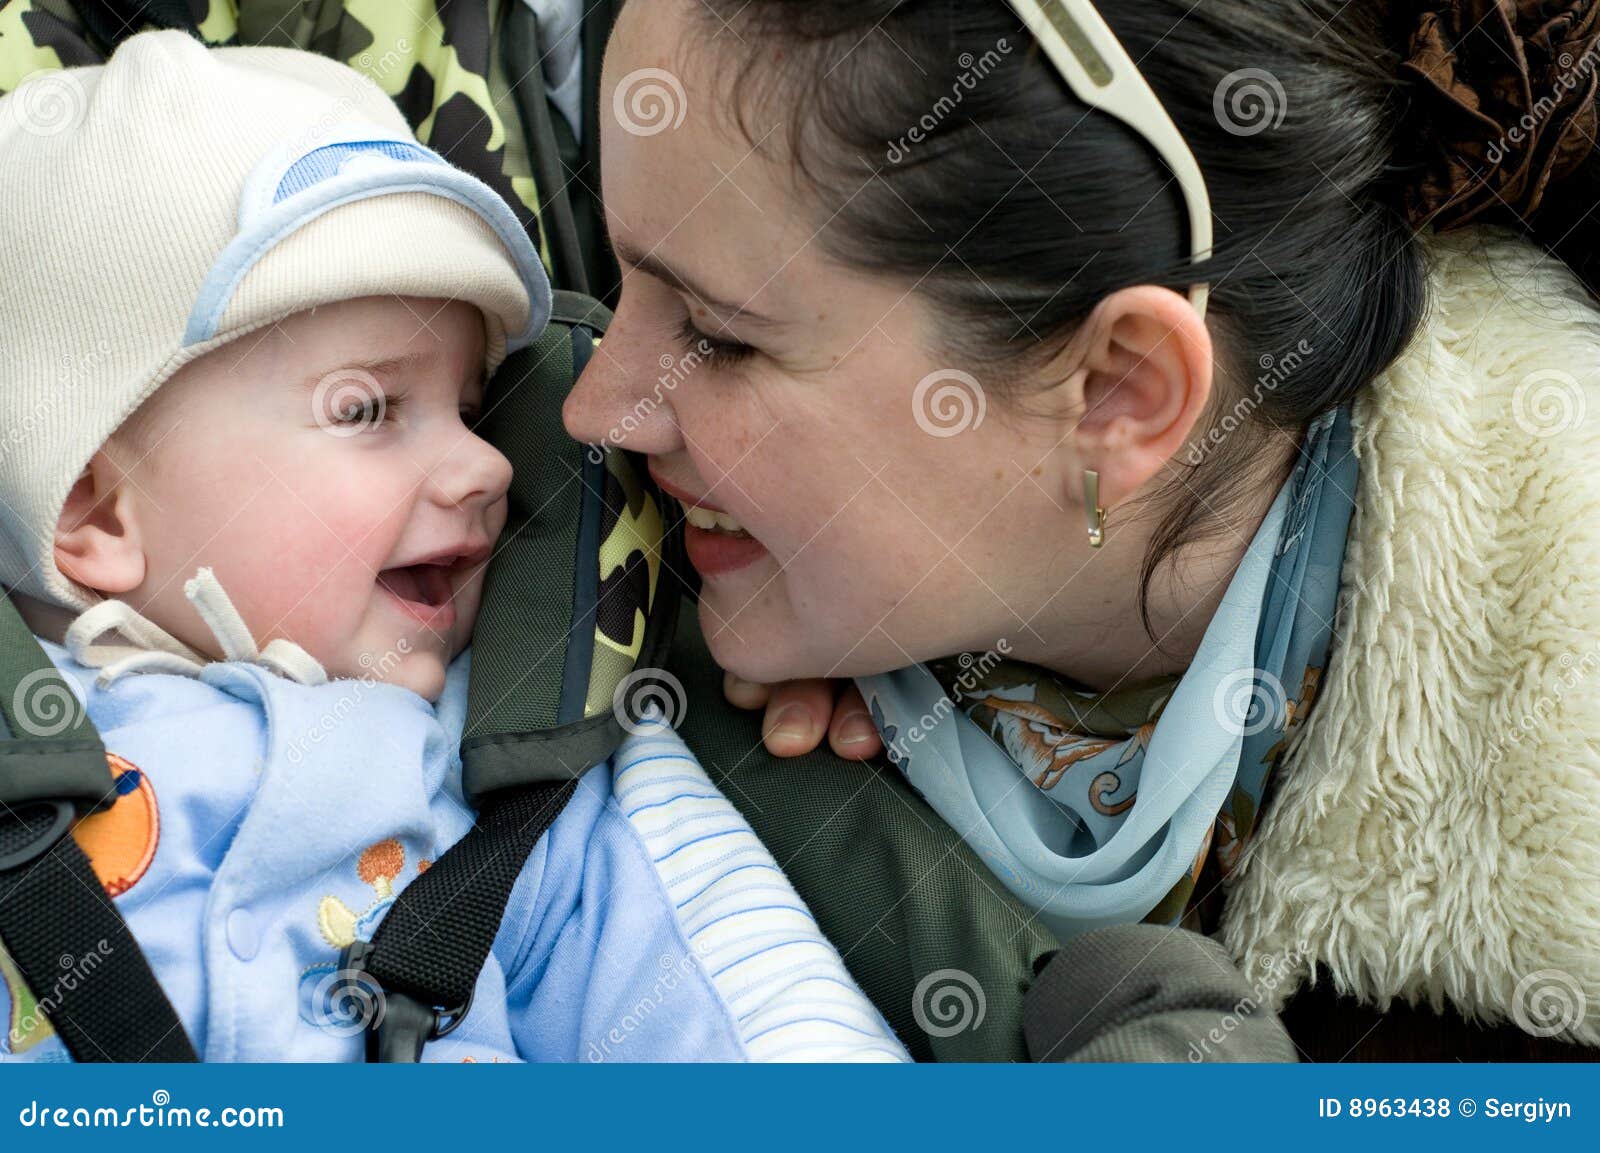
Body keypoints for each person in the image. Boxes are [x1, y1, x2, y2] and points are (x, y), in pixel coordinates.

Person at [563, 0, 1600, 1045]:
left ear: (1120, 390)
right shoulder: (613, 611)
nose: (595, 409)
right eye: (619, 287)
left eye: (715, 337)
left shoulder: (1555, 954)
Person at [0, 30, 907, 1063]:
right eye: (369, 407)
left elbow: (746, 1015)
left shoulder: (522, 776)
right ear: (98, 516)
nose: (483, 468)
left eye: (471, 409)